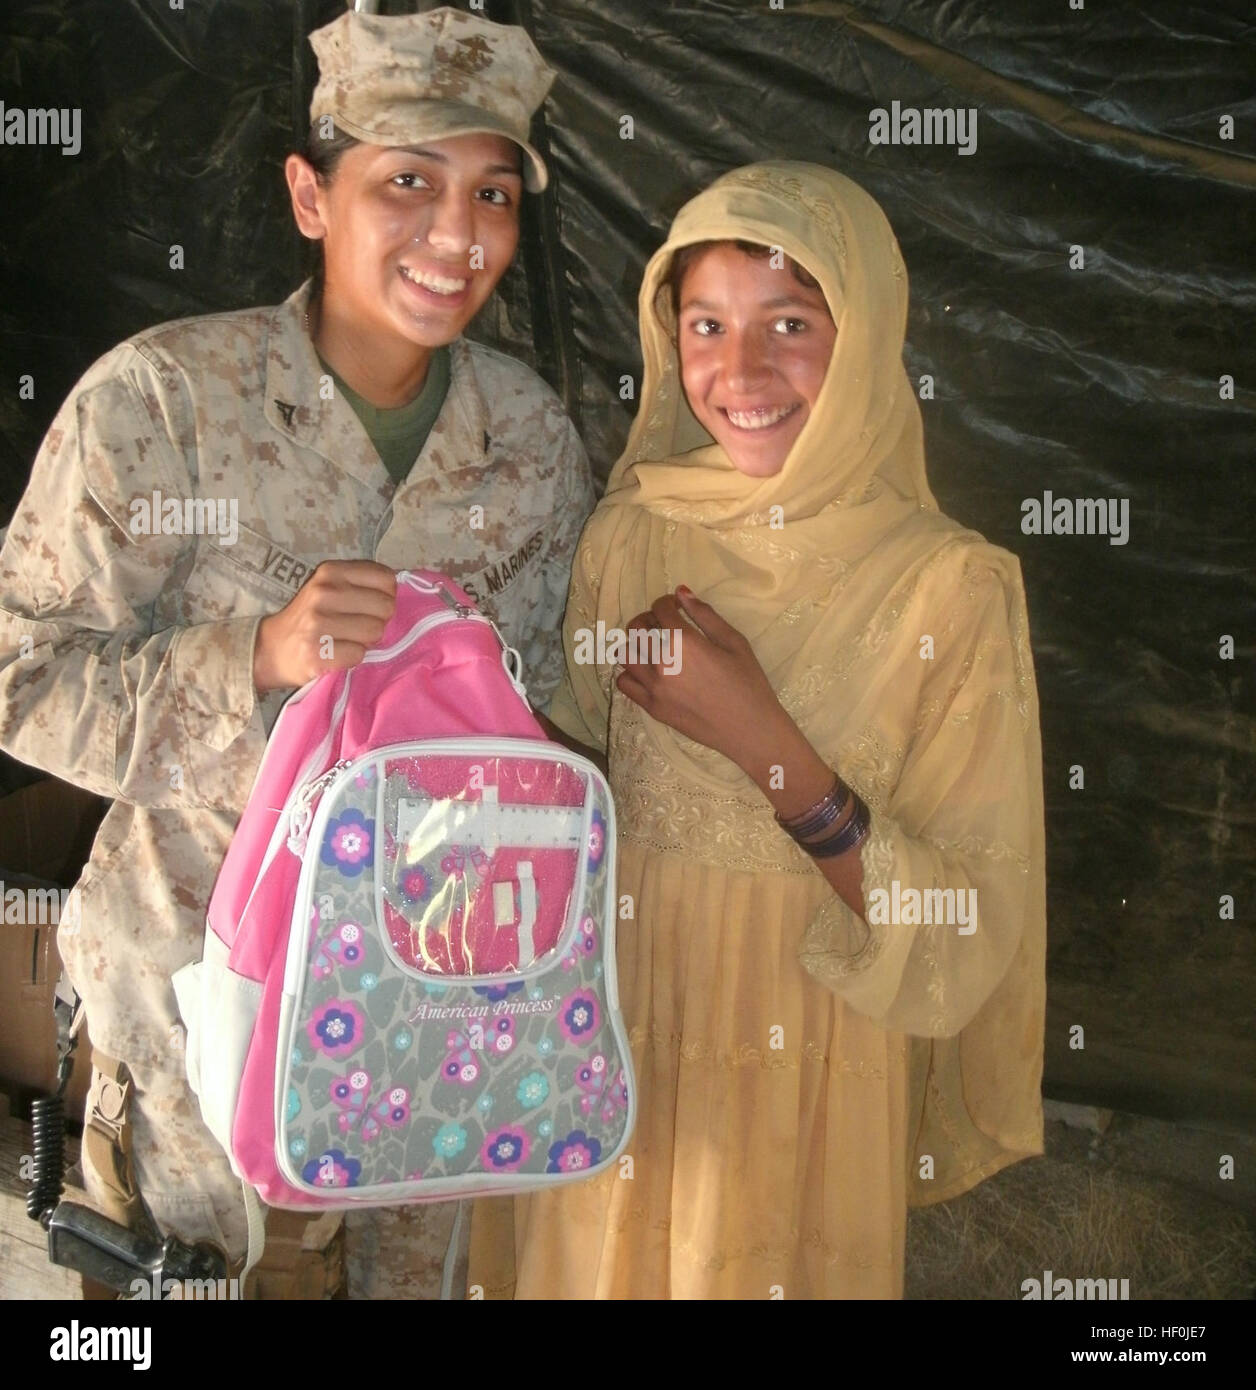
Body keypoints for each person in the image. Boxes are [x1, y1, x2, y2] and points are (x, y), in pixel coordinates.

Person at [0, 6, 593, 1294]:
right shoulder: (163, 406)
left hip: (430, 1041)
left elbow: (536, 710)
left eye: (492, 193)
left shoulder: (530, 441)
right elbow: (21, 679)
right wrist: (253, 657)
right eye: (406, 183)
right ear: (309, 197)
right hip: (192, 1035)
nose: (458, 235)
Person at [468, 160, 1046, 1299]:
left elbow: (965, 919)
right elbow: (584, 785)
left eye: (789, 323)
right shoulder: (634, 532)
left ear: (868, 332)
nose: (739, 372)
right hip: (612, 1033)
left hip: (807, 1066)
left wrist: (763, 742)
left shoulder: (949, 588)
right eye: (705, 326)